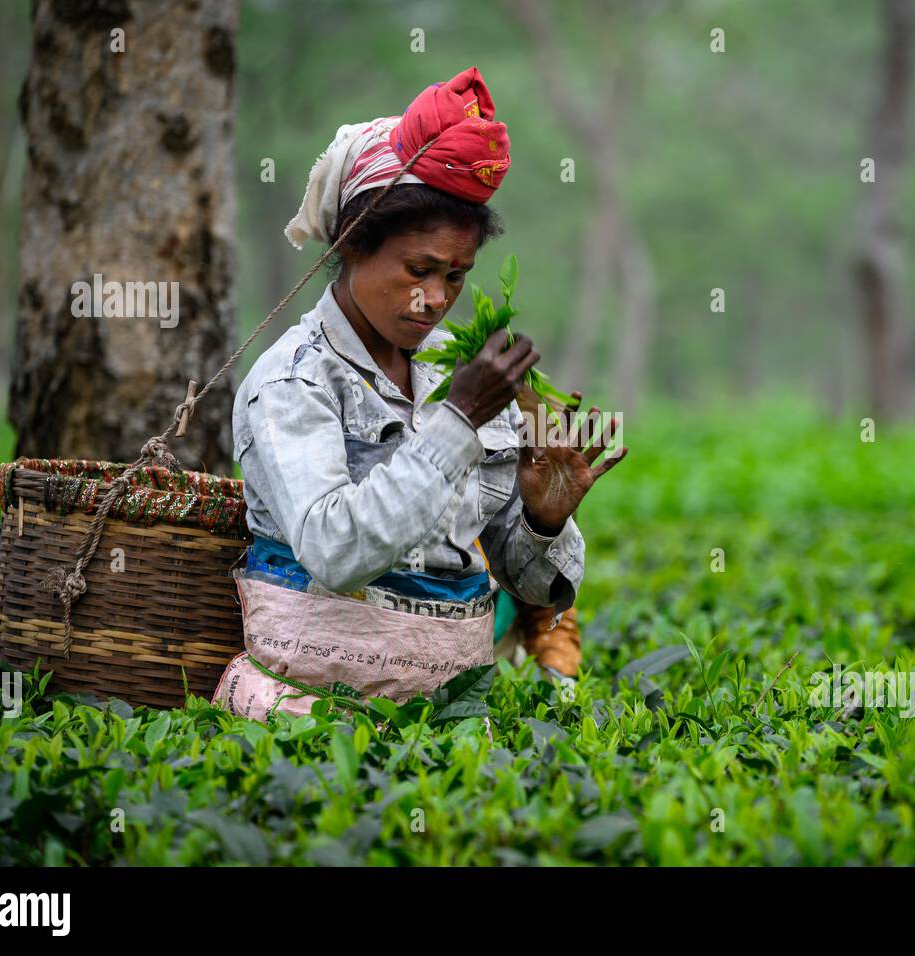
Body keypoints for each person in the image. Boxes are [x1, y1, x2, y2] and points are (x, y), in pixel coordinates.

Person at [213, 67, 626, 722]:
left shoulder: (452, 371)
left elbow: (531, 583)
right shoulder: (294, 380)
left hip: (456, 719)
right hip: (309, 716)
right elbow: (333, 551)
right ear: (352, 245)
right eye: (418, 269)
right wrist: (456, 422)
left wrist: (545, 520)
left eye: (455, 276)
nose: (435, 298)